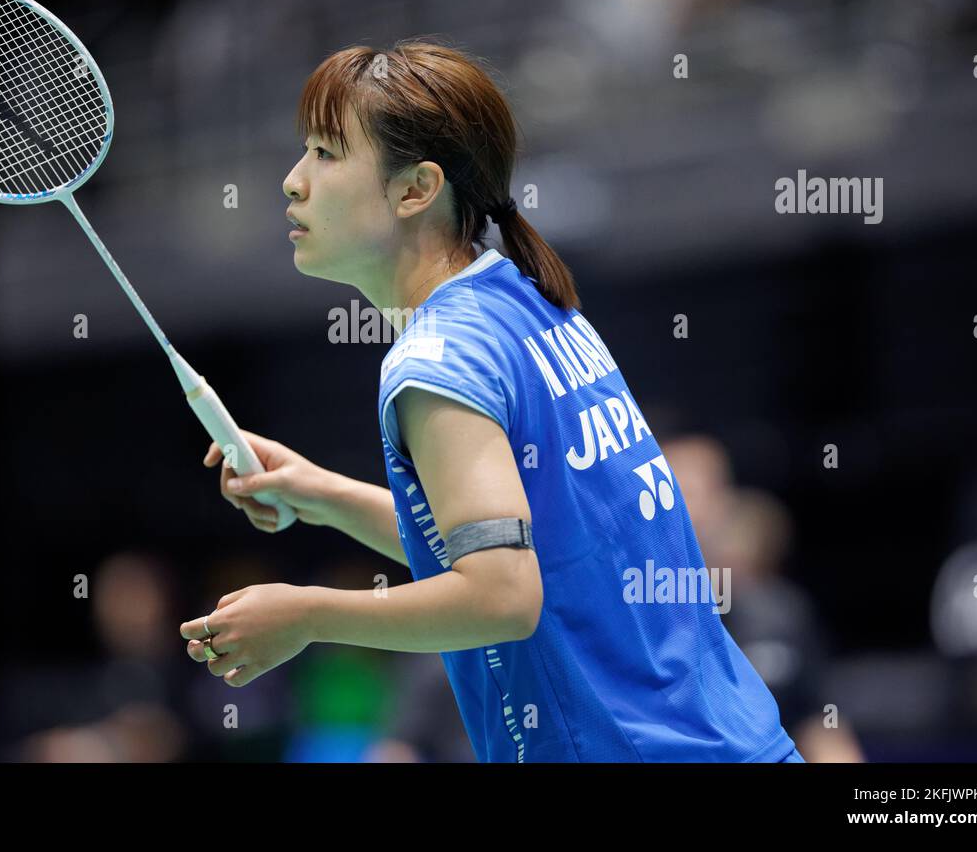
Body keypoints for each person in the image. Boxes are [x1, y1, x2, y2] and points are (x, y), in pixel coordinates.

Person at [179, 39, 802, 762]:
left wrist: (307, 615)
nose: (292, 182)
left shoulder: (438, 359)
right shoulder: (531, 305)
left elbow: (503, 595)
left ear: (415, 189)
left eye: (325, 153)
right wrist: (320, 495)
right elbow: (544, 547)